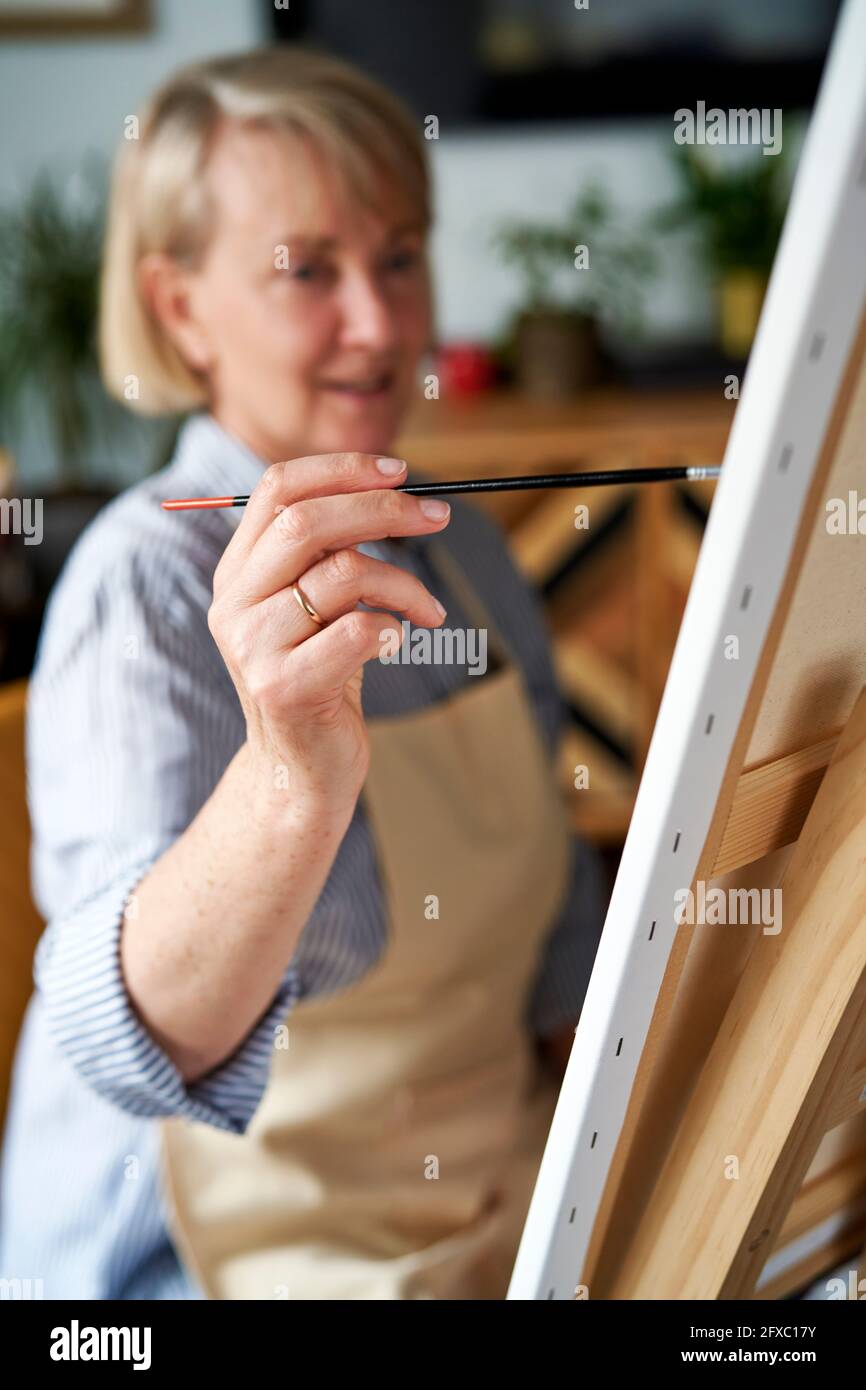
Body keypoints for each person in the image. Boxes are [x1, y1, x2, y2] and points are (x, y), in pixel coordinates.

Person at [0, 47, 606, 1300]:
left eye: (399, 255)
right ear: (177, 309)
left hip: (479, 1221)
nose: (381, 326)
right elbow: (133, 1040)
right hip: (207, 1266)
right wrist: (289, 771)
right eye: (308, 272)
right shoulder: (146, 583)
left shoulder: (474, 553)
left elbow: (548, 950)